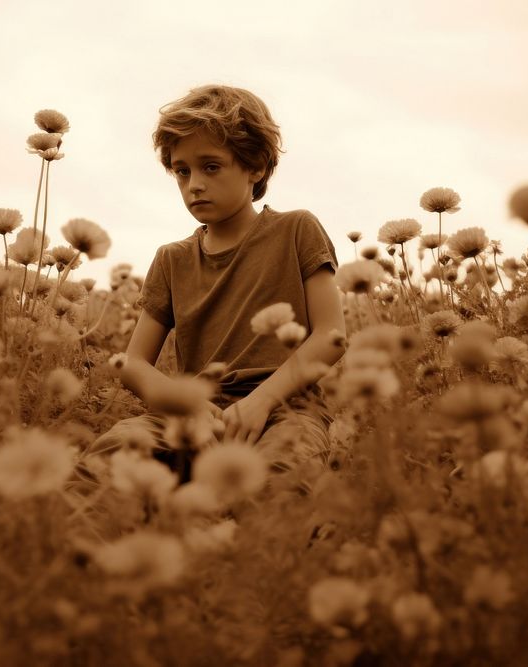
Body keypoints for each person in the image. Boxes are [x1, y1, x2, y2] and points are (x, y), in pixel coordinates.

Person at [88, 84, 346, 480]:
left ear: (255, 166)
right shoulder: (172, 259)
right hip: (195, 418)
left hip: (286, 410)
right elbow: (134, 363)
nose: (194, 184)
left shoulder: (297, 230)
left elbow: (331, 336)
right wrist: (187, 406)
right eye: (182, 171)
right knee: (108, 458)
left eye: (211, 167)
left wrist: (261, 401)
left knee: (280, 480)